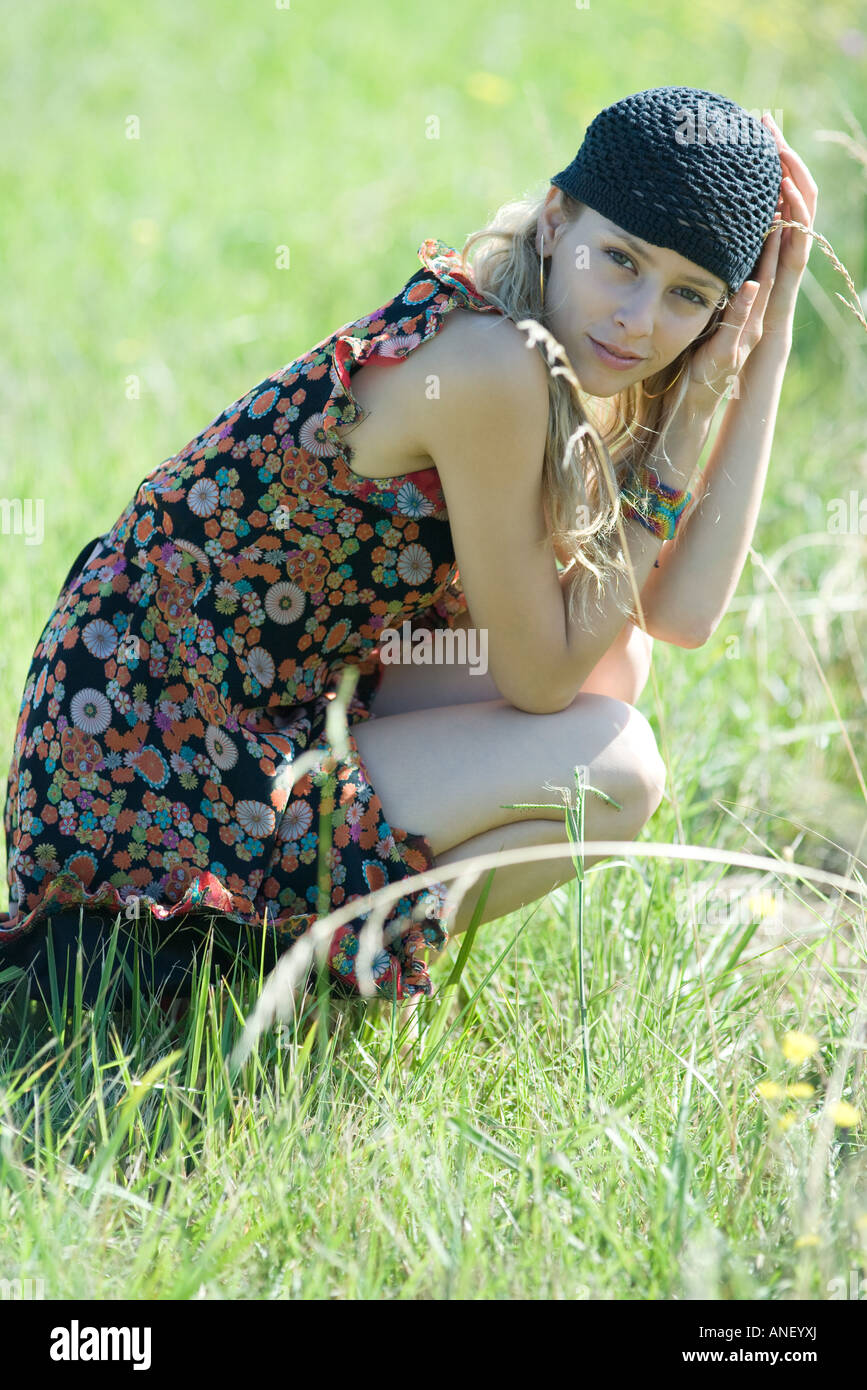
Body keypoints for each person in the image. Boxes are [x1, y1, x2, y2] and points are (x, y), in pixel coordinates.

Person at [0, 86, 816, 1021]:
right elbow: (541, 680)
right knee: (617, 769)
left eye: (687, 296)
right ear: (557, 222)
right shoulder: (488, 365)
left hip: (224, 710)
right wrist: (688, 429)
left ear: (722, 313)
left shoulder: (529, 354)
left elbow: (679, 615)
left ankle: (291, 952)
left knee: (617, 664)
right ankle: (262, 976)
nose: (637, 318)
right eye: (620, 261)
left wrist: (772, 337)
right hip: (142, 766)